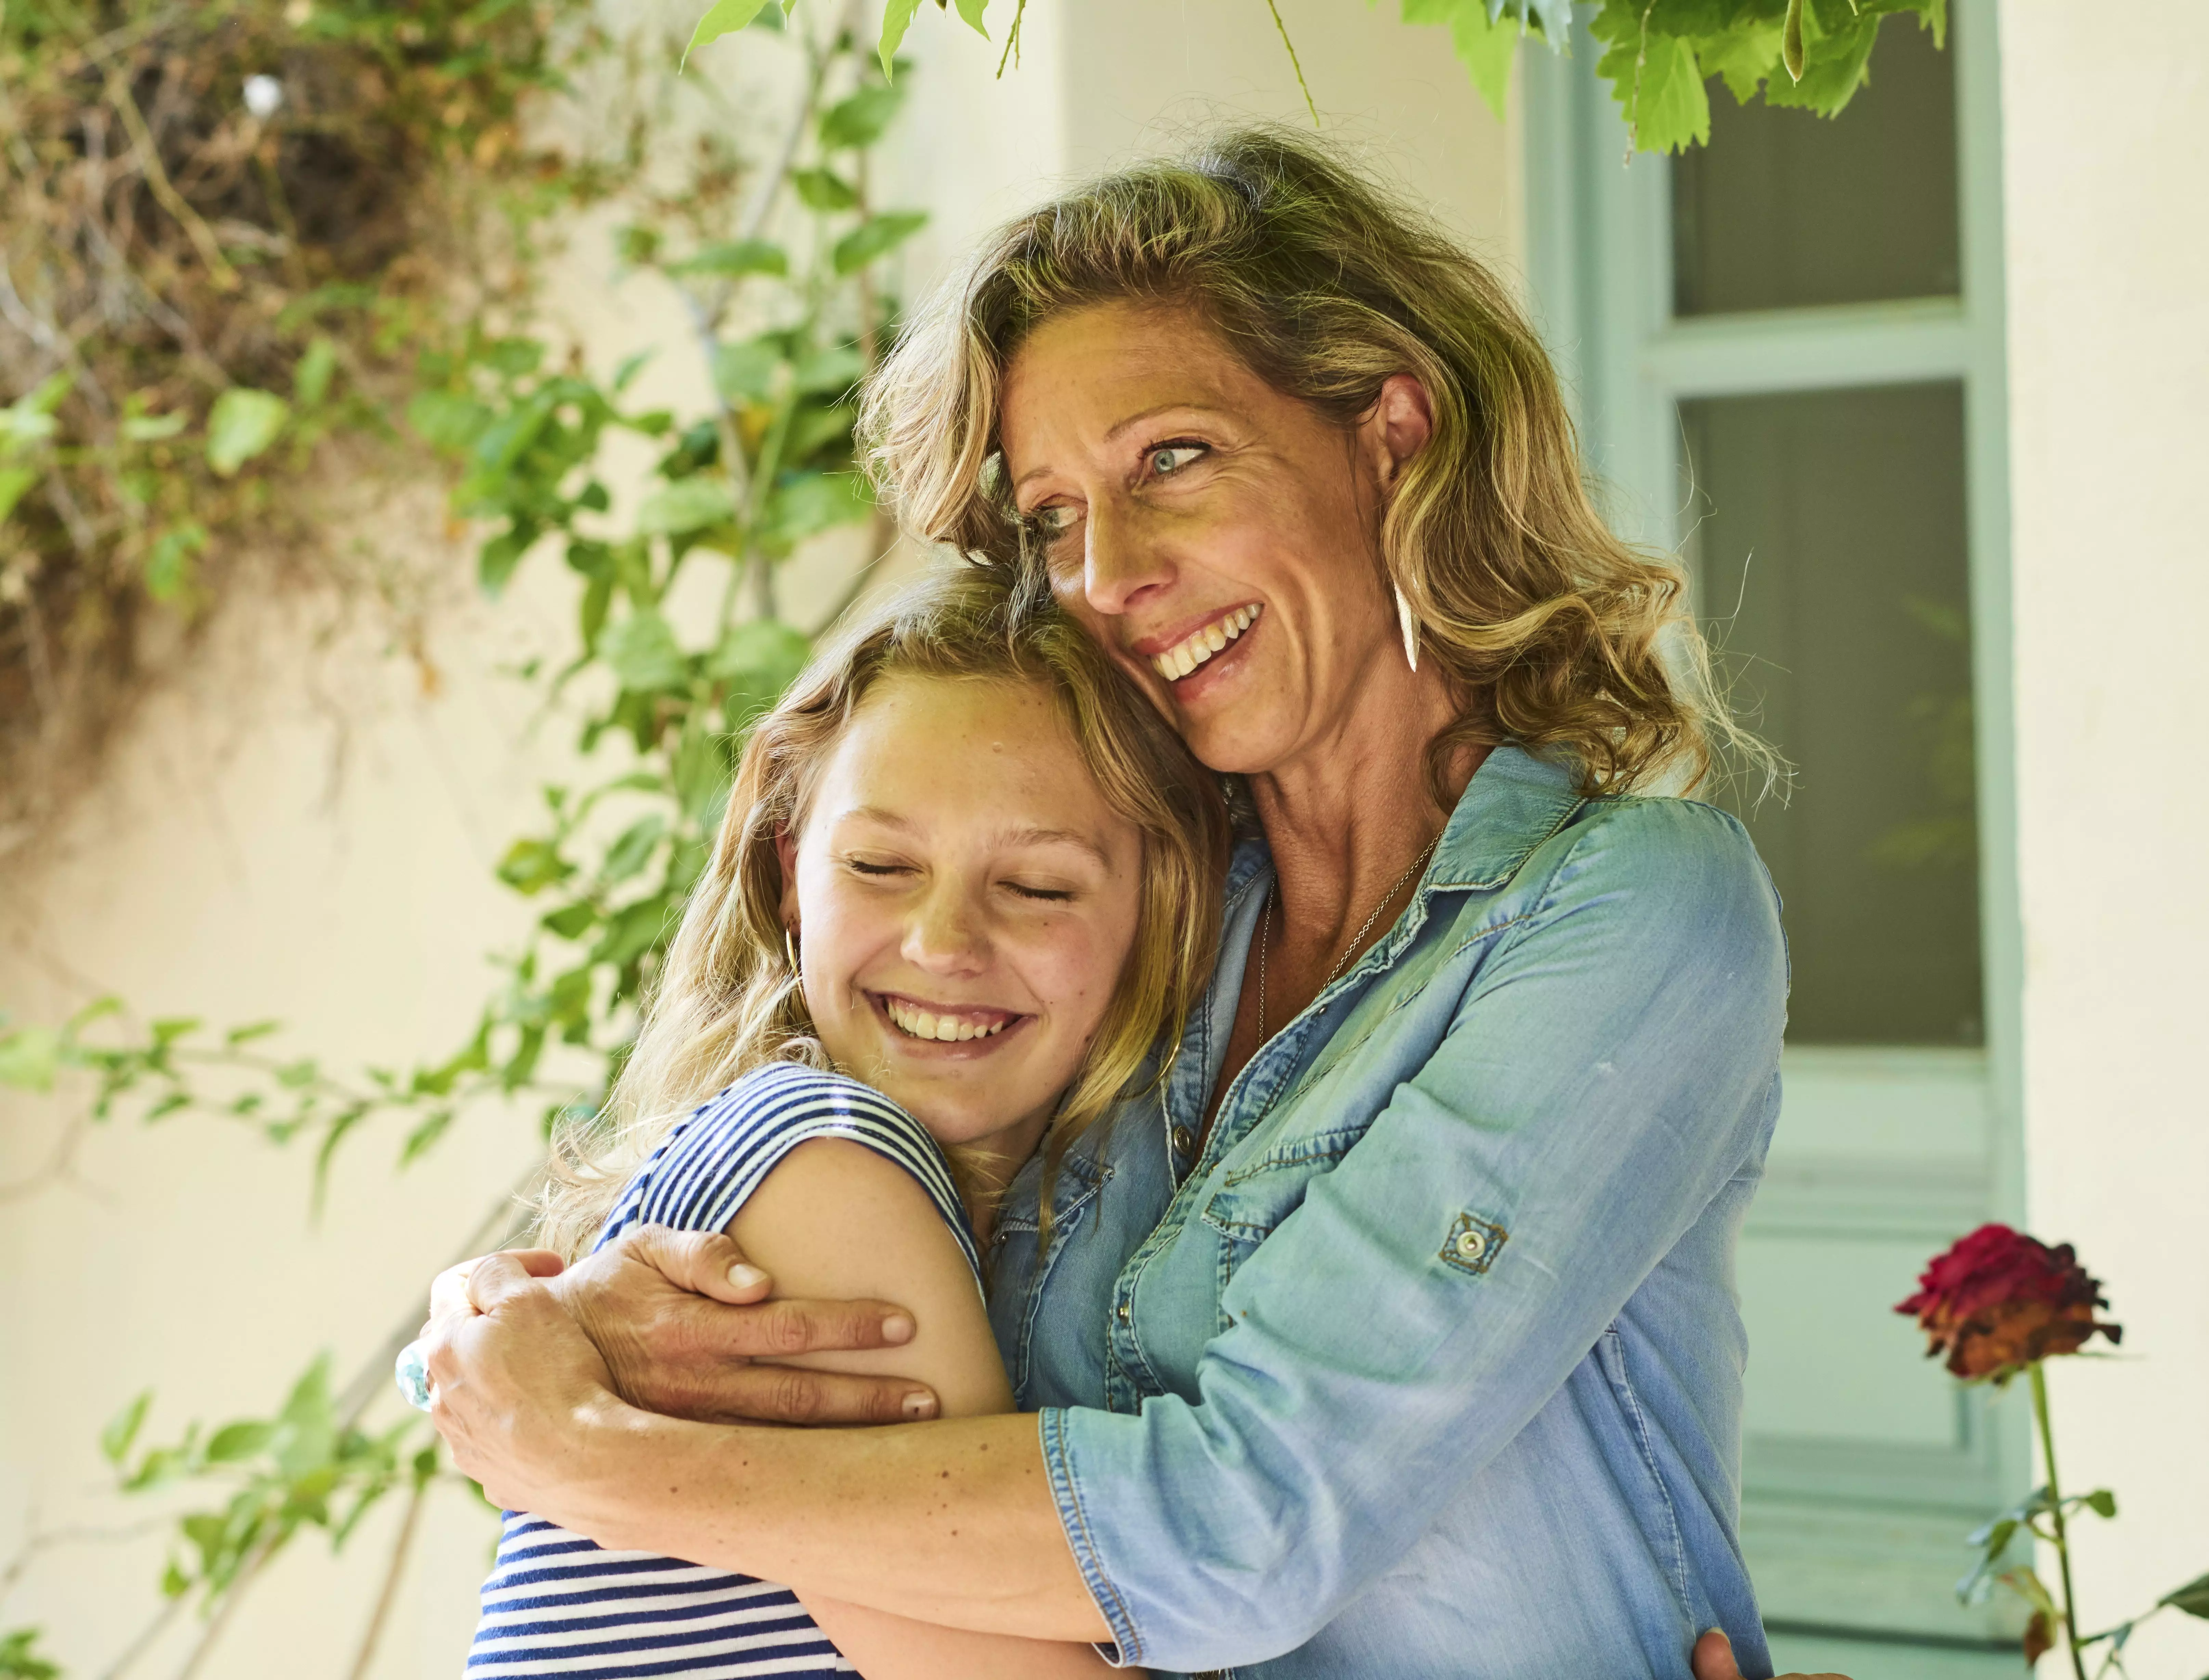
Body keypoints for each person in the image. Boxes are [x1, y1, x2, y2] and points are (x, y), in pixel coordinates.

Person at [421, 128, 1819, 1680]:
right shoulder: (1119, 921)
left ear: (1391, 434)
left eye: (1172, 460)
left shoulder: (1624, 910)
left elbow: (1251, 1530)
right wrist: (528, 1319)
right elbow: (842, 1256)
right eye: (1050, 518)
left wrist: (599, 1456)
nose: (1108, 574)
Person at [444, 566, 1226, 1678]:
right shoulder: (818, 1165)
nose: (945, 943)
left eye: (1040, 886)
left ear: (1161, 907)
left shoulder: (995, 1230)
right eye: (881, 866)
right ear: (791, 877)